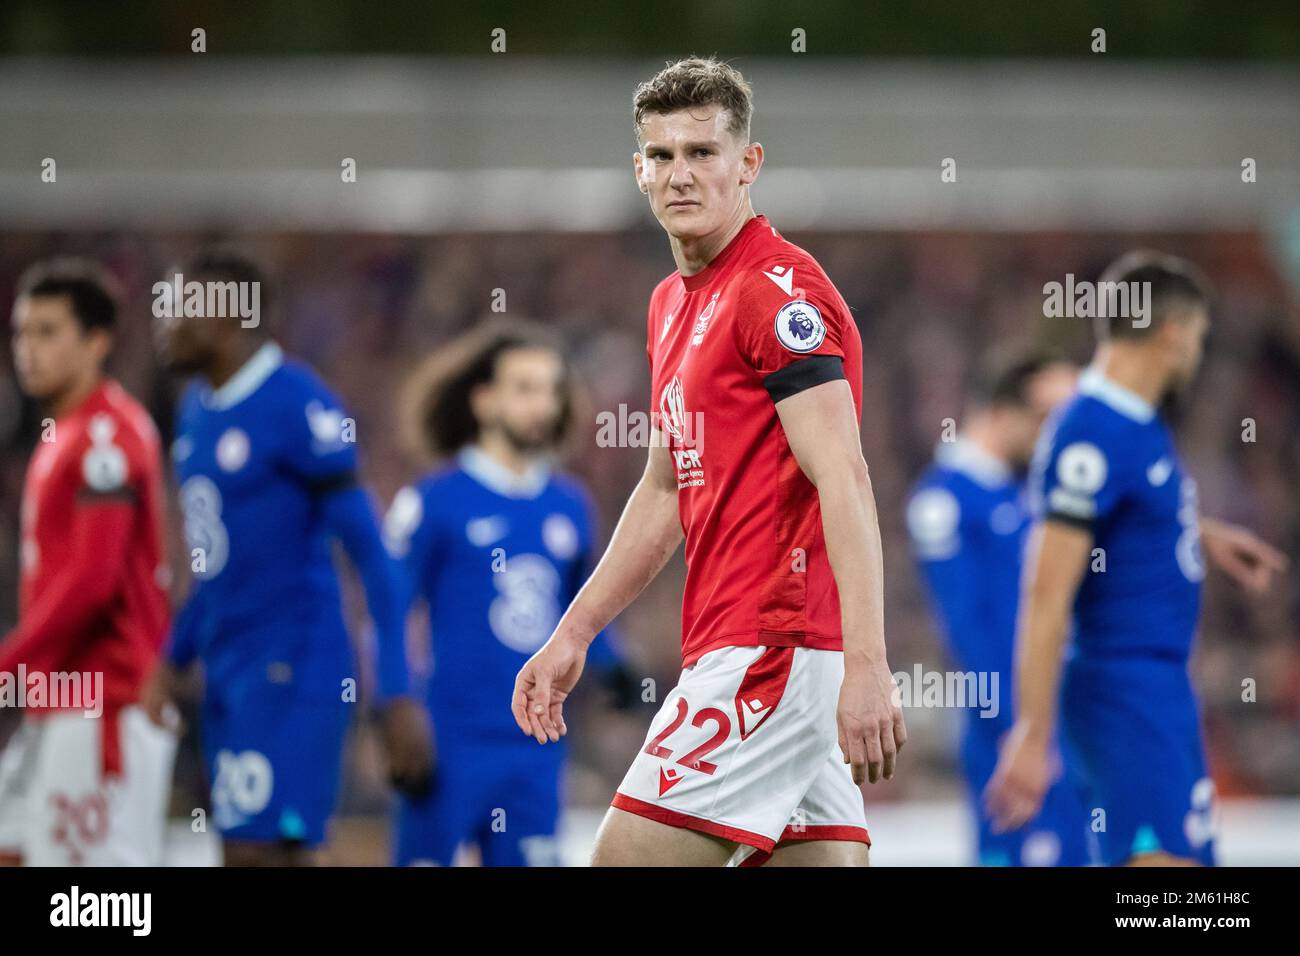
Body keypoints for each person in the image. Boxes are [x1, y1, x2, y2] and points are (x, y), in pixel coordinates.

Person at [512, 57, 905, 867]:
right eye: (660, 156)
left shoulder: (776, 291)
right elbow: (666, 485)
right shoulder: (672, 302)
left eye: (702, 153)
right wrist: (573, 634)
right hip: (760, 650)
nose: (678, 174)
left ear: (748, 163)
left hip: (772, 646)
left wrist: (869, 663)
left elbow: (845, 474)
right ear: (638, 170)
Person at [986, 250, 1289, 866]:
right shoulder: (1090, 432)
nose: (1197, 356)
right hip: (1121, 691)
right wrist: (1032, 731)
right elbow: (1046, 594)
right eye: (1199, 337)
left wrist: (1199, 532)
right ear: (1174, 334)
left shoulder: (1134, 424)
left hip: (1160, 690)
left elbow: (1126, 511)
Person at [145, 249, 431, 866]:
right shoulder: (196, 410)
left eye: (178, 307)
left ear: (228, 318)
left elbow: (374, 561)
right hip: (228, 675)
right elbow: (220, 567)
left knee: (266, 853)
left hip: (295, 669)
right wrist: (173, 660)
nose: (162, 322)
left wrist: (396, 692)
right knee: (247, 854)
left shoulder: (298, 403)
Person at [385, 320, 631, 866]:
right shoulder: (434, 501)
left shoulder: (570, 505)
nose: (542, 404)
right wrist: (396, 704)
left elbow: (581, 610)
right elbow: (388, 611)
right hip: (449, 739)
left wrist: (617, 668)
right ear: (484, 400)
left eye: (550, 389)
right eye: (524, 388)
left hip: (537, 745)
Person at [0, 259, 176, 865]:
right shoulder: (64, 435)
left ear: (96, 341)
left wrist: (8, 663)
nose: (27, 350)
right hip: (60, 698)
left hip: (106, 699)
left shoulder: (106, 436)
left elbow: (94, 584)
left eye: (47, 332)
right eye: (21, 332)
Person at [908, 347, 1091, 866]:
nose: (1049, 436)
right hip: (1010, 730)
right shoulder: (943, 501)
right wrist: (1022, 731)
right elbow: (970, 634)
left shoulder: (1025, 490)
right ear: (1004, 413)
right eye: (1043, 420)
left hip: (1060, 720)